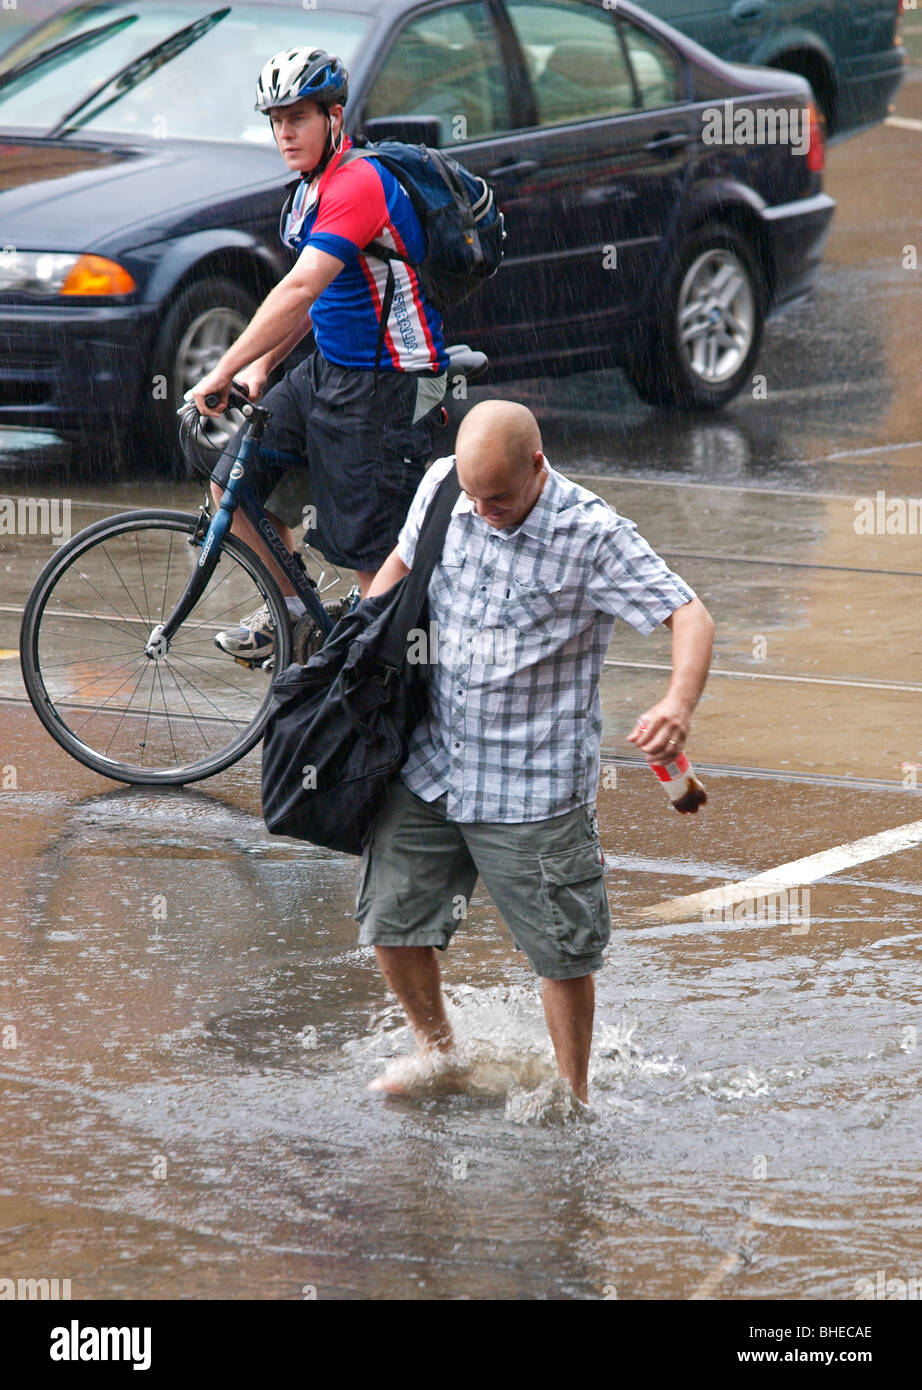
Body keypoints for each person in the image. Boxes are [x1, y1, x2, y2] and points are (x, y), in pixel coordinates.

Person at [358, 399, 715, 1105]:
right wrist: (360, 660)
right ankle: (439, 1050)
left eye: (500, 496)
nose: (483, 508)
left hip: (533, 783)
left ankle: (573, 1092)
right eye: (473, 494)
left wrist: (677, 705)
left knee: (561, 951)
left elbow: (688, 613)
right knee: (391, 923)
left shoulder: (592, 534)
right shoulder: (441, 487)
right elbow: (397, 568)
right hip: (430, 763)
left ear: (537, 466)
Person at [190, 47, 449, 661]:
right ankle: (295, 616)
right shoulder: (308, 190)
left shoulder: (358, 181)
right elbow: (318, 295)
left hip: (390, 381)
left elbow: (301, 284)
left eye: (298, 117)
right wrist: (262, 363)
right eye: (276, 119)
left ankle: (385, 695)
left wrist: (222, 366)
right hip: (328, 369)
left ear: (335, 117)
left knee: (373, 563)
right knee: (233, 483)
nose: (284, 132)